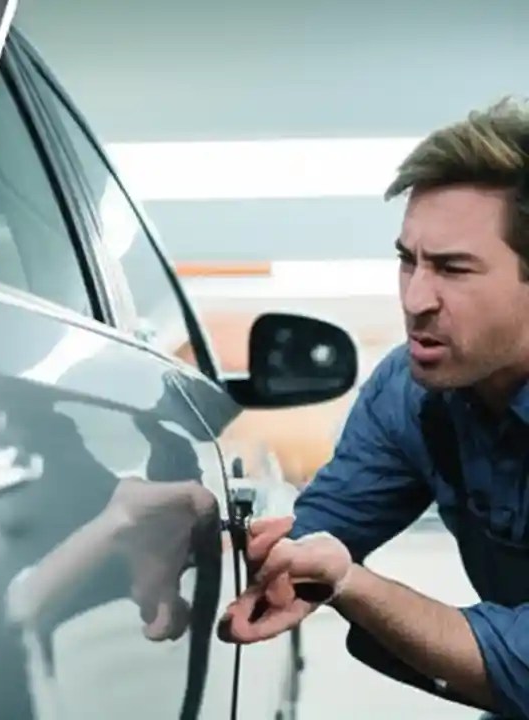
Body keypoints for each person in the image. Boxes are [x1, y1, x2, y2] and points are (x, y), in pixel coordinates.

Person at [218, 96, 529, 719]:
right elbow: (324, 529)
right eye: (407, 260)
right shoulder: (411, 392)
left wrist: (350, 584)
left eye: (453, 269)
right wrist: (201, 531)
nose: (416, 299)